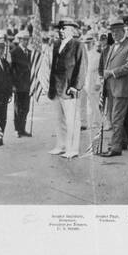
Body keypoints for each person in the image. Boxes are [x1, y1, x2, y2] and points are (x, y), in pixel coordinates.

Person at [99, 18, 128, 157]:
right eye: (112, 31)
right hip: (111, 87)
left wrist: (112, 72)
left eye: (117, 31)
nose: (114, 34)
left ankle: (115, 147)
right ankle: (122, 142)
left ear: (123, 31)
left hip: (123, 87)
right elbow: (107, 66)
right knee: (112, 116)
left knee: (116, 118)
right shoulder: (111, 47)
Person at [47, 19, 85, 158]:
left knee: (72, 120)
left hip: (69, 89)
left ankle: (72, 149)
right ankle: (61, 145)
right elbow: (53, 67)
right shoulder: (57, 45)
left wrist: (76, 86)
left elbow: (81, 67)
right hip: (56, 87)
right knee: (59, 119)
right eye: (60, 29)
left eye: (64, 28)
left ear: (72, 30)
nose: (61, 31)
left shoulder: (78, 45)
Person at [8, 30, 34, 137]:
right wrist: (12, 84)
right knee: (18, 108)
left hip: (27, 85)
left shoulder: (30, 52)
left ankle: (22, 128)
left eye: (27, 40)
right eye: (24, 40)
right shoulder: (14, 52)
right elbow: (10, 70)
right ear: (19, 40)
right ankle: (17, 129)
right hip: (18, 85)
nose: (26, 42)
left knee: (26, 108)